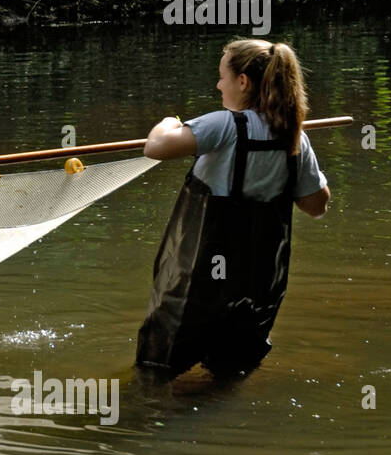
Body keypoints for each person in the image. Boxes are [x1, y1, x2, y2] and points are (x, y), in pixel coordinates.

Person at [136, 38, 332, 378]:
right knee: (230, 370)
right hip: (258, 279)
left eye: (222, 76)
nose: (217, 85)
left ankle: (156, 419)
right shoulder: (294, 138)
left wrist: (169, 121)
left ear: (243, 82)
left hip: (204, 274)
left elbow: (155, 147)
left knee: (159, 366)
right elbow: (316, 206)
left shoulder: (224, 125)